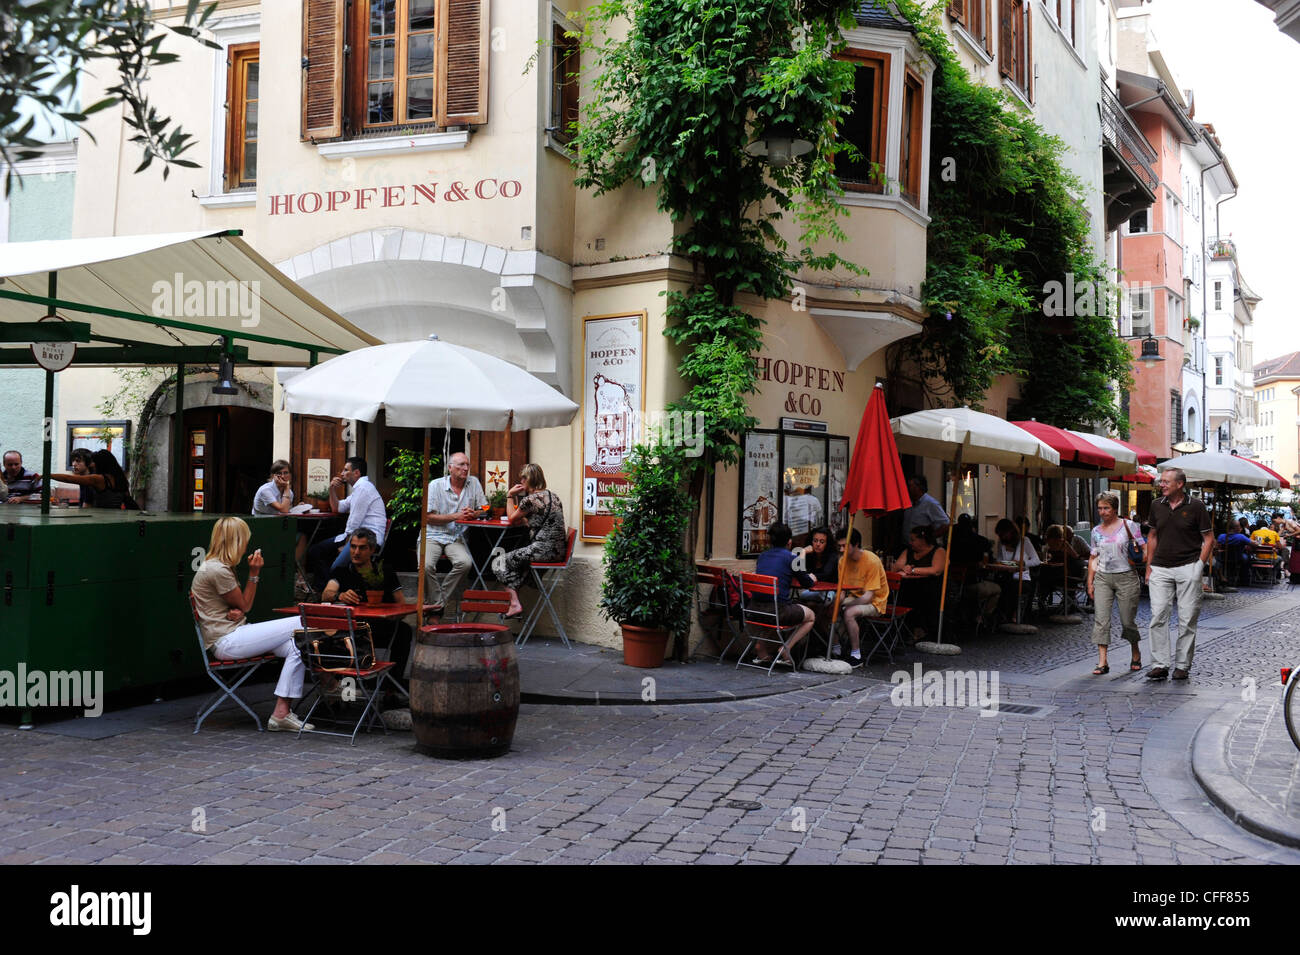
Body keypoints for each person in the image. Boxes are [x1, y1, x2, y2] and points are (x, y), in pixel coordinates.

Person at [190, 517, 313, 732]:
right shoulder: (218, 569)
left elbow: (236, 607)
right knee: (303, 621)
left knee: (299, 646)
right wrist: (254, 573)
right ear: (235, 541)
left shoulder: (216, 566)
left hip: (230, 635)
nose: (247, 544)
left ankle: (281, 714)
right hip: (227, 640)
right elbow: (246, 605)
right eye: (245, 540)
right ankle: (331, 685)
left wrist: (233, 610)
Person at [322, 528, 411, 697]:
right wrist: (339, 595)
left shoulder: (385, 571)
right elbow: (326, 594)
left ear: (372, 550)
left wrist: (387, 612)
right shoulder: (342, 570)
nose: (356, 552)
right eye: (353, 547)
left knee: (404, 631)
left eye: (362, 548)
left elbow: (402, 606)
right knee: (340, 639)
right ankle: (346, 697)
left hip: (380, 627)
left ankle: (391, 692)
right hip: (351, 631)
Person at [1144, 467, 1213, 681]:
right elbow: (1152, 535)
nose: (1161, 485)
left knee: (1187, 617)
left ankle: (1182, 665)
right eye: (1161, 481)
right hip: (1161, 567)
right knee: (1157, 616)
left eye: (1166, 482)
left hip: (1188, 566)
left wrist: (1198, 567)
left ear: (1180, 484)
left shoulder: (1196, 506)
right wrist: (1149, 566)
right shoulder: (1157, 505)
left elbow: (1209, 538)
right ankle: (1160, 664)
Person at [497, 464, 567, 619]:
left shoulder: (529, 500)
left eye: (524, 477)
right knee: (517, 565)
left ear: (530, 479)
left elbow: (511, 518)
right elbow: (541, 520)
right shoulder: (553, 496)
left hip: (542, 551)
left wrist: (509, 495)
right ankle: (528, 584)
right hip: (558, 552)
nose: (521, 480)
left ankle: (514, 604)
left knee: (498, 563)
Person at [1086, 492, 1144, 675]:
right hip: (1103, 577)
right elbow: (1093, 556)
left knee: (1127, 621)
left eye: (1106, 508)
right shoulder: (1095, 531)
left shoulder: (1129, 525)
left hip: (1126, 576)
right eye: (1100, 508)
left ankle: (1135, 651)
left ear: (1115, 508)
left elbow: (1143, 547)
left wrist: (1146, 564)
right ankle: (1102, 661)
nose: (1102, 512)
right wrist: (1090, 581)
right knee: (1101, 620)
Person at [309, 456, 387, 588]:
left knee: (336, 568)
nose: (342, 473)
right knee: (316, 551)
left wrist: (346, 545)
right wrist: (331, 489)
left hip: (367, 540)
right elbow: (337, 507)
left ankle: (332, 593)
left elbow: (354, 523)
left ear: (356, 473)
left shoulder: (363, 489)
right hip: (355, 537)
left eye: (345, 470)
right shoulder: (359, 489)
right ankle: (326, 591)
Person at [423, 451, 486, 615]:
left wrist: (475, 514)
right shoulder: (435, 485)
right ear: (450, 468)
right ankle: (438, 606)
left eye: (467, 465)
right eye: (461, 465)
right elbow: (427, 517)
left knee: (465, 563)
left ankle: (436, 604)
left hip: (457, 538)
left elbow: (485, 507)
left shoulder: (474, 483)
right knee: (425, 565)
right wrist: (455, 516)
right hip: (432, 535)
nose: (466, 468)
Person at [751, 522, 816, 666]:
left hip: (754, 609)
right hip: (777, 611)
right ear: (789, 542)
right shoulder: (792, 558)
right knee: (811, 616)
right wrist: (812, 577)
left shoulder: (762, 556)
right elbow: (807, 584)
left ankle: (760, 647)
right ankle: (786, 649)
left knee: (772, 608)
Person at [828, 527, 889, 667]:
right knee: (830, 608)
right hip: (855, 597)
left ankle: (856, 654)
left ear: (856, 545)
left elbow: (868, 597)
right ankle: (836, 648)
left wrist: (846, 605)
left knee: (849, 612)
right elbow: (842, 590)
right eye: (840, 546)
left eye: (845, 546)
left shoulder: (871, 561)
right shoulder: (842, 561)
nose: (842, 549)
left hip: (875, 602)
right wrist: (837, 603)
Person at [891, 524, 947, 642]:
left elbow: (936, 570)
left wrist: (912, 570)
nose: (910, 542)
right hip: (911, 587)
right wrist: (903, 566)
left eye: (913, 540)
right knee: (903, 595)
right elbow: (895, 568)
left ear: (923, 540)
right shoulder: (908, 551)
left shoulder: (938, 551)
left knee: (920, 596)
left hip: (934, 589)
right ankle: (907, 631)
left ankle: (922, 631)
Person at [949, 514, 1000, 625]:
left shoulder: (950, 540)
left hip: (952, 585)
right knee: (997, 589)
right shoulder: (980, 541)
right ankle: (982, 616)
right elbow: (988, 562)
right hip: (972, 584)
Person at [50, 450, 136, 509]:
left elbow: (68, 478)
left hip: (100, 519)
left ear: (101, 464)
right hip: (116, 518)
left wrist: (48, 475)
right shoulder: (121, 479)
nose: (91, 465)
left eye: (93, 462)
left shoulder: (99, 479)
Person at [993, 518, 1041, 623]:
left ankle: (1011, 615)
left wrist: (1023, 563)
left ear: (1011, 531)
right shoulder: (1001, 543)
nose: (1002, 537)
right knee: (997, 587)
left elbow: (1036, 560)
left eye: (1004, 534)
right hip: (1006, 576)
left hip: (1022, 578)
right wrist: (1003, 564)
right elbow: (1000, 559)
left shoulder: (1025, 542)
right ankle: (998, 615)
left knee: (1009, 587)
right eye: (1000, 535)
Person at [794, 526, 837, 601]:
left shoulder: (832, 556)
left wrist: (809, 577)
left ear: (827, 544)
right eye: (815, 540)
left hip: (828, 591)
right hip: (810, 590)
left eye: (822, 542)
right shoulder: (808, 555)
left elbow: (825, 574)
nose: (818, 544)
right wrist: (803, 552)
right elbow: (797, 569)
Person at [901, 475, 949, 539]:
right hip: (908, 545)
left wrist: (928, 538)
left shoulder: (931, 503)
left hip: (923, 547)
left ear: (919, 487)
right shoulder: (909, 503)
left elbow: (946, 524)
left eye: (910, 486)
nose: (907, 488)